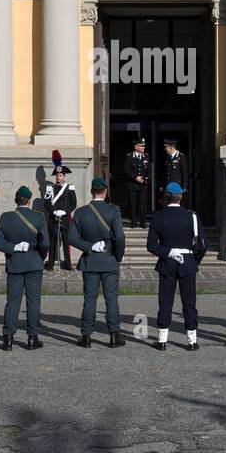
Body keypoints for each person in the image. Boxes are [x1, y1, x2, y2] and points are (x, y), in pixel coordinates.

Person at [146, 181, 204, 351]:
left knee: (165, 301)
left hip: (167, 262)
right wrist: (195, 260)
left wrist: (167, 253)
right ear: (181, 198)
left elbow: (151, 246)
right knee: (189, 302)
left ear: (166, 198)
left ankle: (162, 340)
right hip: (187, 261)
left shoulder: (158, 217)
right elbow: (203, 244)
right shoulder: (192, 216)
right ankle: (192, 341)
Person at [69, 176, 126, 348]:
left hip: (91, 261)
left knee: (90, 299)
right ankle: (114, 336)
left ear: (92, 191)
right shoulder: (114, 211)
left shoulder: (80, 212)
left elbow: (72, 238)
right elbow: (120, 237)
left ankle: (86, 337)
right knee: (111, 300)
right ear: (105, 192)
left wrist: (90, 246)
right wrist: (118, 256)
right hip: (109, 260)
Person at [0, 185, 49, 350]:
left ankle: (8, 338)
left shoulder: (5, 217)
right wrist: (41, 256)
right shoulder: (38, 217)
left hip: (14, 263)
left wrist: (14, 248)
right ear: (29, 201)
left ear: (15, 201)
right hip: (33, 262)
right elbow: (45, 243)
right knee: (33, 302)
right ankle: (32, 338)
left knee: (12, 302)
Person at [41, 151, 76, 272]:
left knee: (66, 241)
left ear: (64, 176)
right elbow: (46, 203)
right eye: (57, 175)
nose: (58, 177)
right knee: (52, 240)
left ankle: (67, 263)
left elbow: (73, 204)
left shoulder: (70, 187)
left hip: (65, 218)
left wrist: (65, 212)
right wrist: (53, 211)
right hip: (54, 217)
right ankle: (50, 263)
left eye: (60, 175)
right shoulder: (50, 188)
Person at [124, 137, 150, 228]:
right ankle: (133, 222)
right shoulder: (130, 156)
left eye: (144, 146)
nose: (143, 147)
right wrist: (136, 177)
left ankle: (143, 222)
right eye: (141, 146)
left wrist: (146, 179)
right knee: (133, 204)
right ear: (136, 147)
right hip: (133, 184)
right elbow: (126, 170)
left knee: (143, 204)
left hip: (143, 184)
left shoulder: (146, 156)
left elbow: (149, 170)